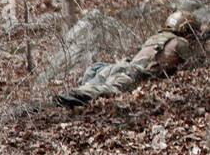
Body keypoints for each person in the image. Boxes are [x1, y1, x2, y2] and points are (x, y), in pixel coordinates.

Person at [56, 10, 205, 108]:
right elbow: (197, 62)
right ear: (187, 29)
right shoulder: (181, 43)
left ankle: (72, 94)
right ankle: (75, 95)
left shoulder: (158, 37)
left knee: (96, 80)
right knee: (110, 89)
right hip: (135, 72)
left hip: (122, 66)